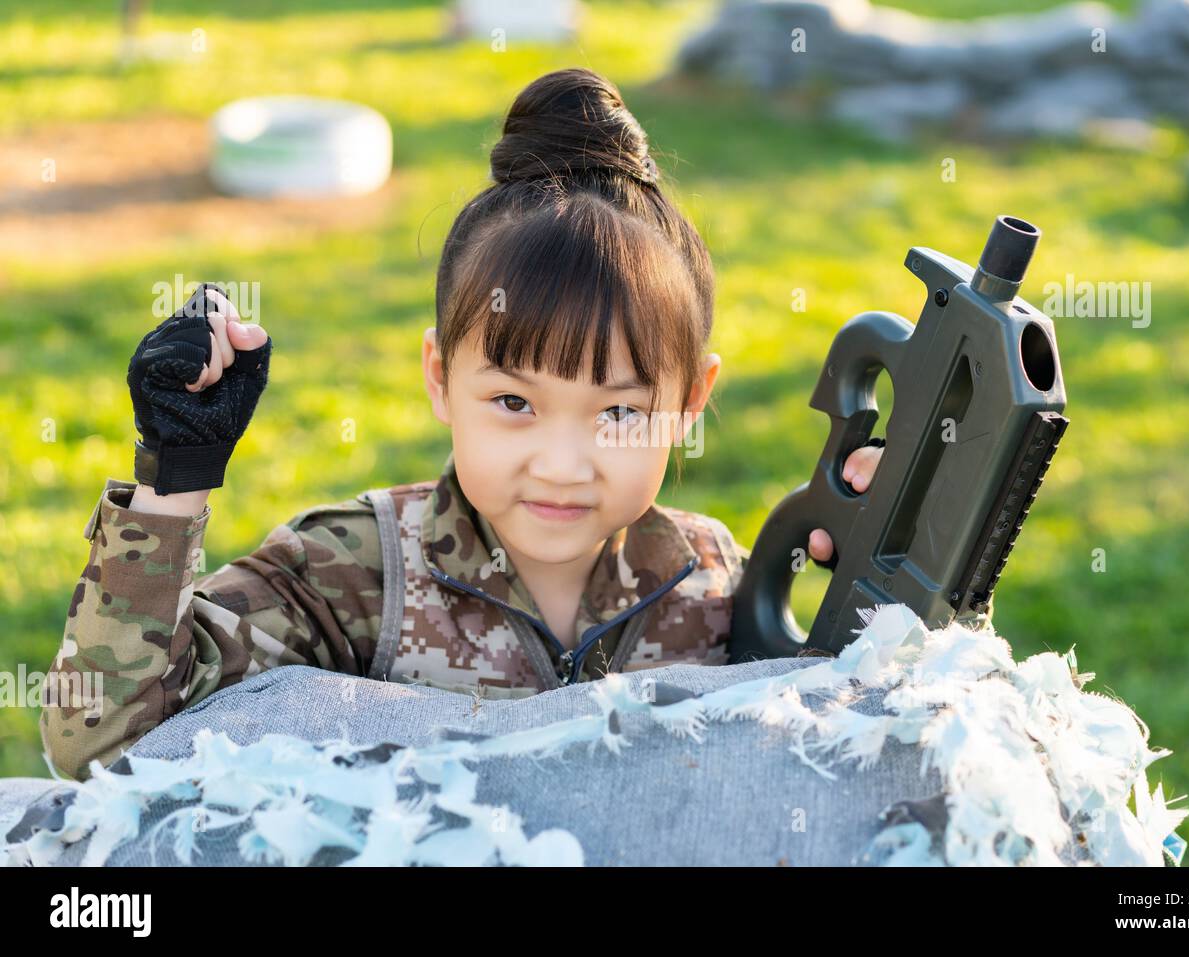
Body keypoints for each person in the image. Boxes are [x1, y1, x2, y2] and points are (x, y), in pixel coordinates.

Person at [40, 67, 884, 782]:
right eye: (514, 403)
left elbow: (865, 759)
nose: (562, 464)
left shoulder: (720, 587)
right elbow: (107, 749)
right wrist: (173, 482)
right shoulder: (351, 574)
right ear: (441, 377)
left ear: (691, 402)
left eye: (620, 411)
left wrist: (901, 570)